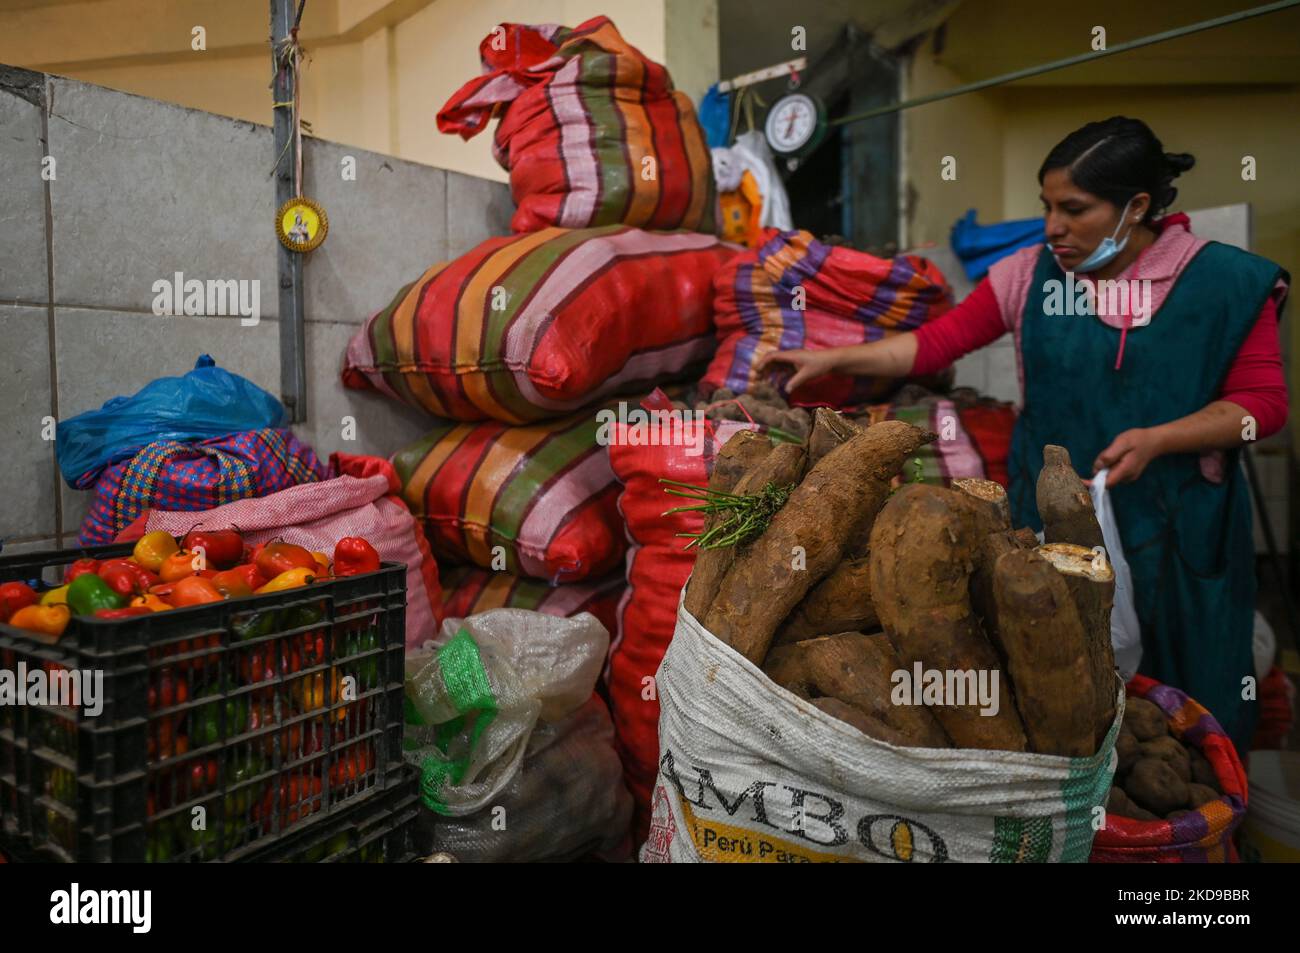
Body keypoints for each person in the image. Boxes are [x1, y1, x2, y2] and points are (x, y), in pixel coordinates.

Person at [762, 117, 1289, 751]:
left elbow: (1263, 405)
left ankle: (1201, 831)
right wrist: (833, 361)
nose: (1053, 228)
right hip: (1053, 516)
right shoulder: (1028, 276)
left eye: (1075, 209)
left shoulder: (1227, 282)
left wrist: (1158, 439)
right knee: (1063, 679)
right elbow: (935, 345)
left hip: (1180, 522)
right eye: (1046, 207)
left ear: (1137, 207)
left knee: (1195, 682)